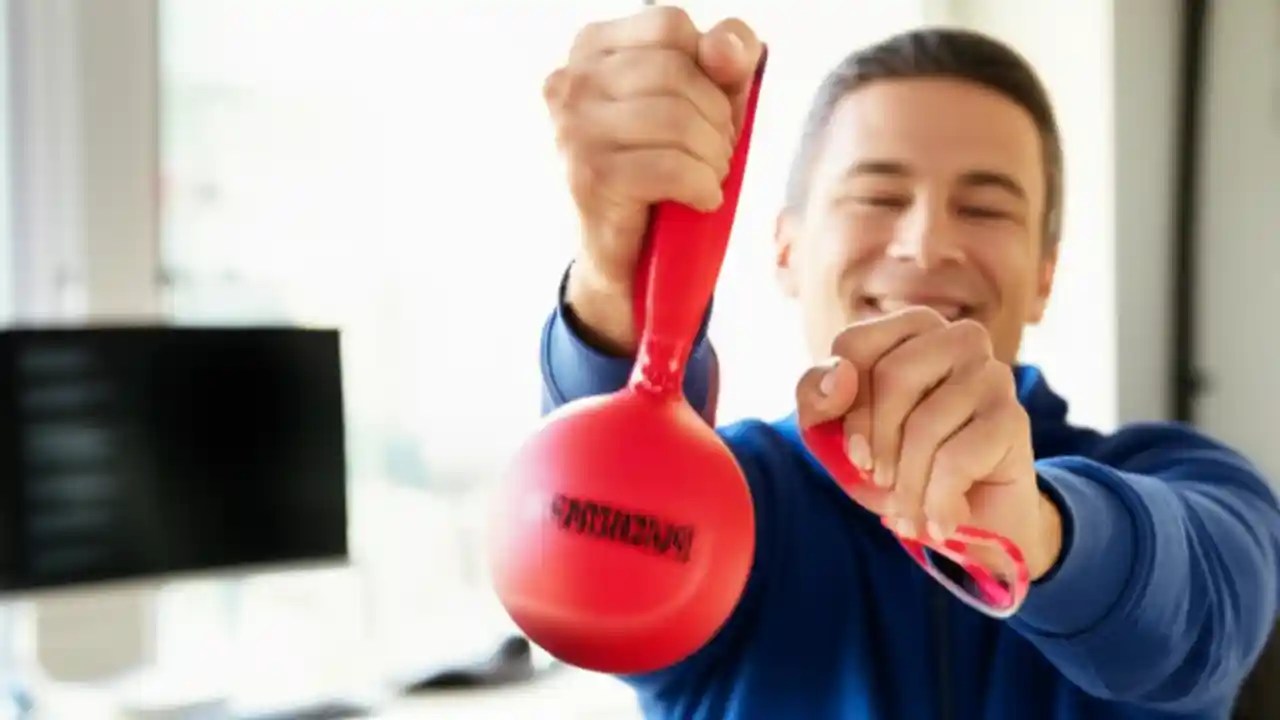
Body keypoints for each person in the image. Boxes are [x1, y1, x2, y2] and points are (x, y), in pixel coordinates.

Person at [535, 8, 1280, 719]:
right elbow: (591, 541)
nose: (925, 247)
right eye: (877, 196)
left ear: (1044, 278)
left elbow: (1204, 614)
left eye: (985, 209)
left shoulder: (1191, 480)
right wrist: (613, 287)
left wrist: (1034, 531)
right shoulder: (726, 509)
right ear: (788, 252)